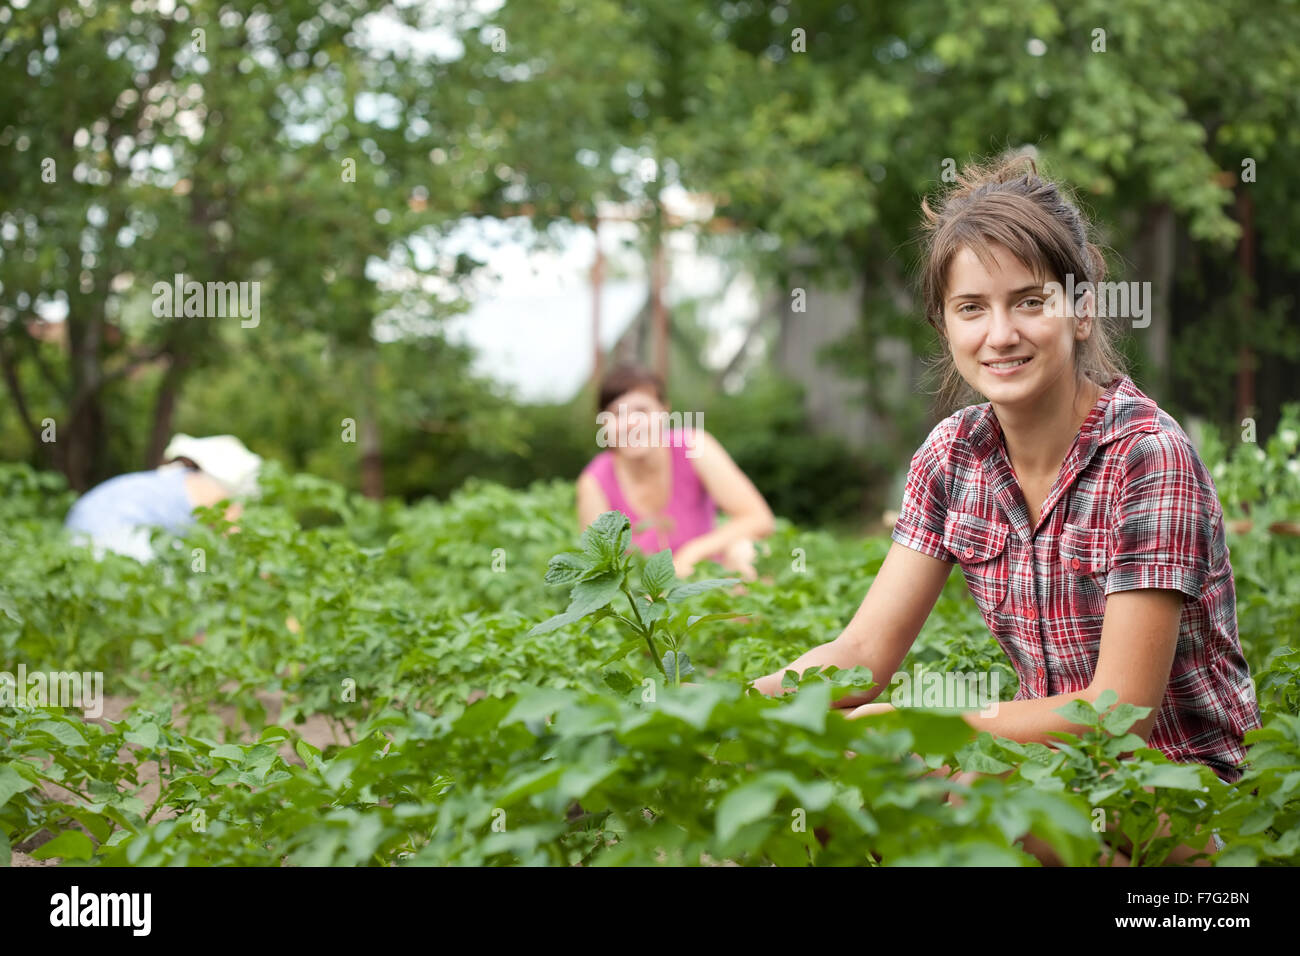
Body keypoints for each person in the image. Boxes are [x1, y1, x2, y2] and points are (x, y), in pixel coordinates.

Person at [751, 153, 1262, 865]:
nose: (1000, 334)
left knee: (950, 810)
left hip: (1176, 793)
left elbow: (1119, 713)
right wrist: (737, 708)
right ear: (946, 326)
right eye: (972, 308)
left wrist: (924, 726)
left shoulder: (1147, 456)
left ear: (1081, 311)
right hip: (1046, 770)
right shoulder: (953, 456)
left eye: (1029, 301)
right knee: (828, 793)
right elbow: (862, 655)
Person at [577, 364, 774, 580]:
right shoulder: (594, 483)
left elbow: (759, 519)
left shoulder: (694, 447)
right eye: (616, 414)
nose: (630, 424)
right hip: (646, 601)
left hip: (708, 582)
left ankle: (750, 615)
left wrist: (691, 554)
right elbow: (600, 571)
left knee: (747, 551)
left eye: (641, 411)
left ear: (664, 412)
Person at [64, 434, 263, 562]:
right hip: (117, 541)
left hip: (73, 537)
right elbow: (239, 545)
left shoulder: (165, 480)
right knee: (189, 571)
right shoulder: (212, 489)